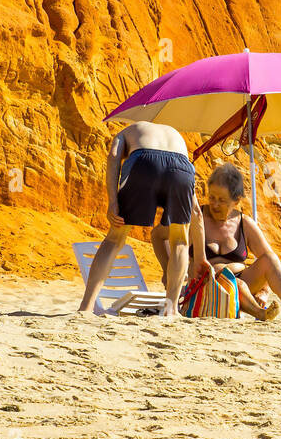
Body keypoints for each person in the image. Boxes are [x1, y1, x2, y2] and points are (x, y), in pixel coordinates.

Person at [153, 163, 281, 320]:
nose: (215, 204)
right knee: (234, 283)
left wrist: (264, 291)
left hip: (242, 281)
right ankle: (260, 313)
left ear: (236, 201)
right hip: (204, 285)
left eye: (222, 200)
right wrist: (166, 271)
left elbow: (271, 265)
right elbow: (157, 235)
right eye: (211, 197)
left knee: (270, 259)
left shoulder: (244, 223)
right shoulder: (196, 219)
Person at [78, 121, 195, 317]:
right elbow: (189, 177)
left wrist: (113, 201)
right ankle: (171, 310)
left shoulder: (125, 132)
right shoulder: (174, 133)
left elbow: (114, 156)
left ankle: (87, 307)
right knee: (180, 242)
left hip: (144, 163)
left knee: (114, 239)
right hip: (182, 168)